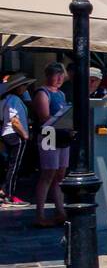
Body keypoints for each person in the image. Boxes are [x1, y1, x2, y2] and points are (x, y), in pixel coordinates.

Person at [31, 62, 70, 227]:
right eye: (57, 75)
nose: (60, 78)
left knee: (60, 174)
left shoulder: (61, 93)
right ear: (49, 76)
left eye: (61, 75)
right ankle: (40, 214)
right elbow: (45, 117)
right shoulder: (42, 92)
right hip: (48, 135)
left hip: (62, 135)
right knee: (48, 173)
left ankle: (60, 210)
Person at [1, 75, 34, 206]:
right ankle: (9, 195)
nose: (26, 88)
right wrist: (25, 135)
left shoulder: (6, 99)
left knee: (9, 165)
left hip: (7, 134)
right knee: (14, 167)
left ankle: (5, 191)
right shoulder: (14, 100)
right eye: (24, 86)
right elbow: (15, 121)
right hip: (15, 135)